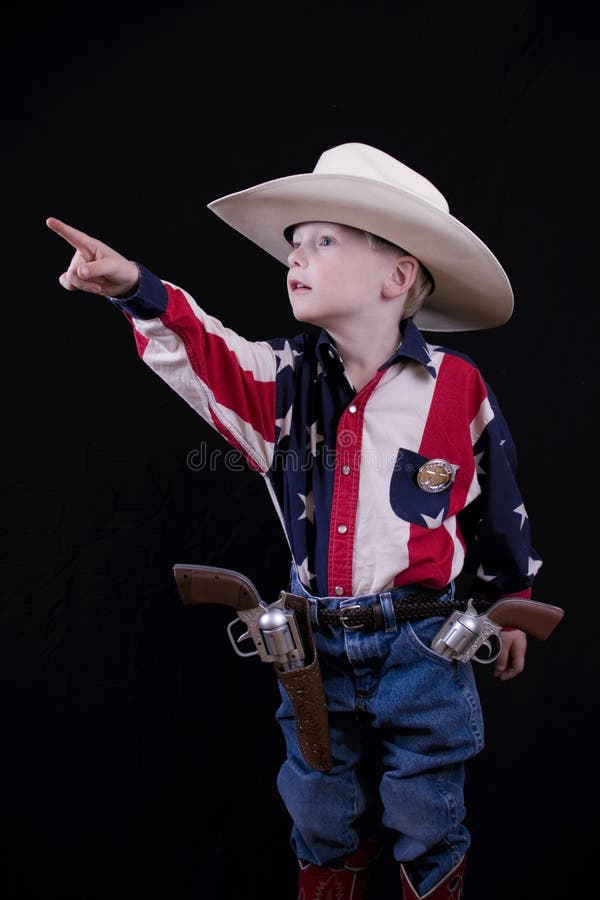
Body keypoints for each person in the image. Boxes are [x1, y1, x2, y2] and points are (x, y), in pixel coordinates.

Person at [47, 142, 542, 899]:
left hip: (425, 644)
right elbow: (204, 353)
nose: (295, 258)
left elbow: (496, 503)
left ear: (398, 275)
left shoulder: (458, 388)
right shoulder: (280, 382)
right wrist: (136, 289)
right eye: (293, 244)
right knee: (318, 810)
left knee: (428, 811)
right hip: (312, 647)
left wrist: (511, 606)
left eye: (322, 241)